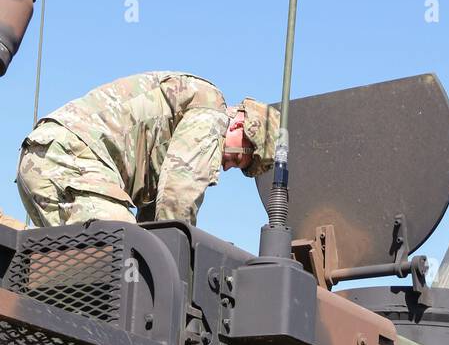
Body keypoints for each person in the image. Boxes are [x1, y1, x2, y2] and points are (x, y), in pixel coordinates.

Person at [15, 72, 277, 228]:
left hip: (50, 160)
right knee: (122, 250)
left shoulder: (178, 129)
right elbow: (179, 194)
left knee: (76, 272)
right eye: (238, 157)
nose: (227, 165)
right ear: (242, 124)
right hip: (69, 159)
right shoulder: (211, 109)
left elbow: (156, 218)